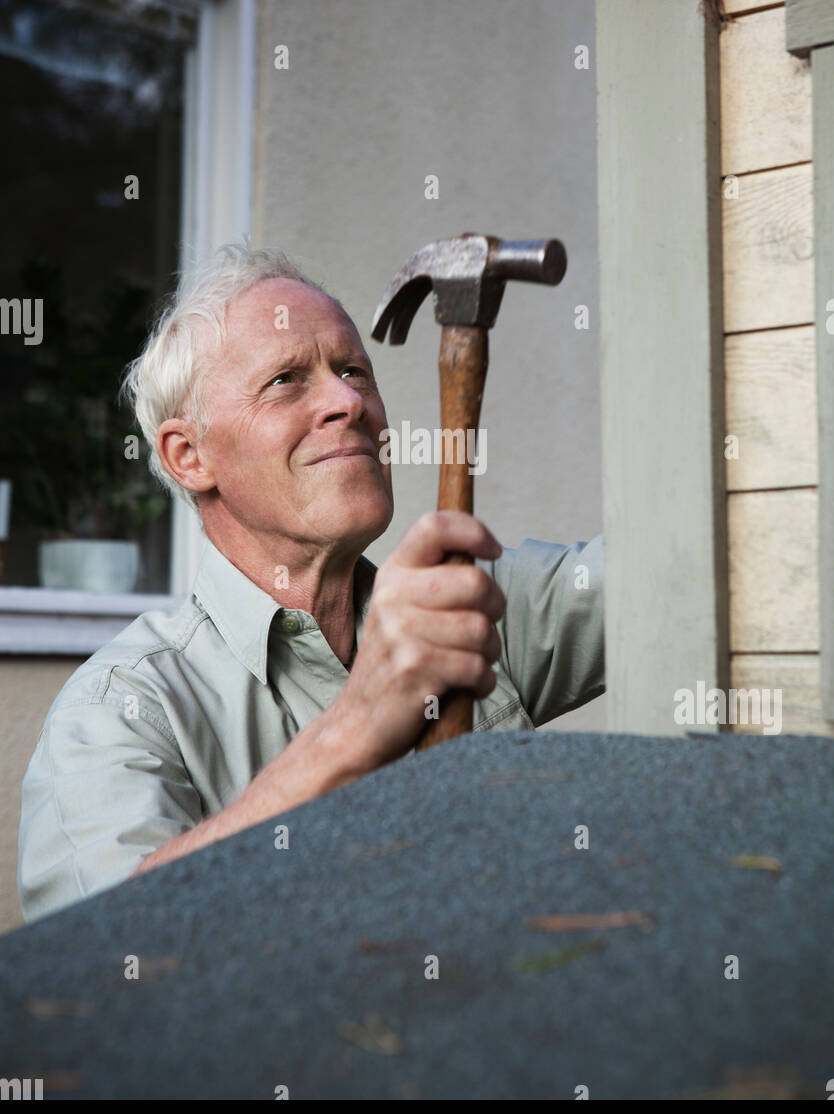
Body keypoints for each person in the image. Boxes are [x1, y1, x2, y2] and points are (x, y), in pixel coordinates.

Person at [18, 244, 604, 923]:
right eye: (286, 381)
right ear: (190, 456)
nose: (348, 401)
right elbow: (104, 951)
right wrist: (359, 726)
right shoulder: (123, 709)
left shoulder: (474, 610)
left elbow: (680, 564)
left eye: (355, 370)